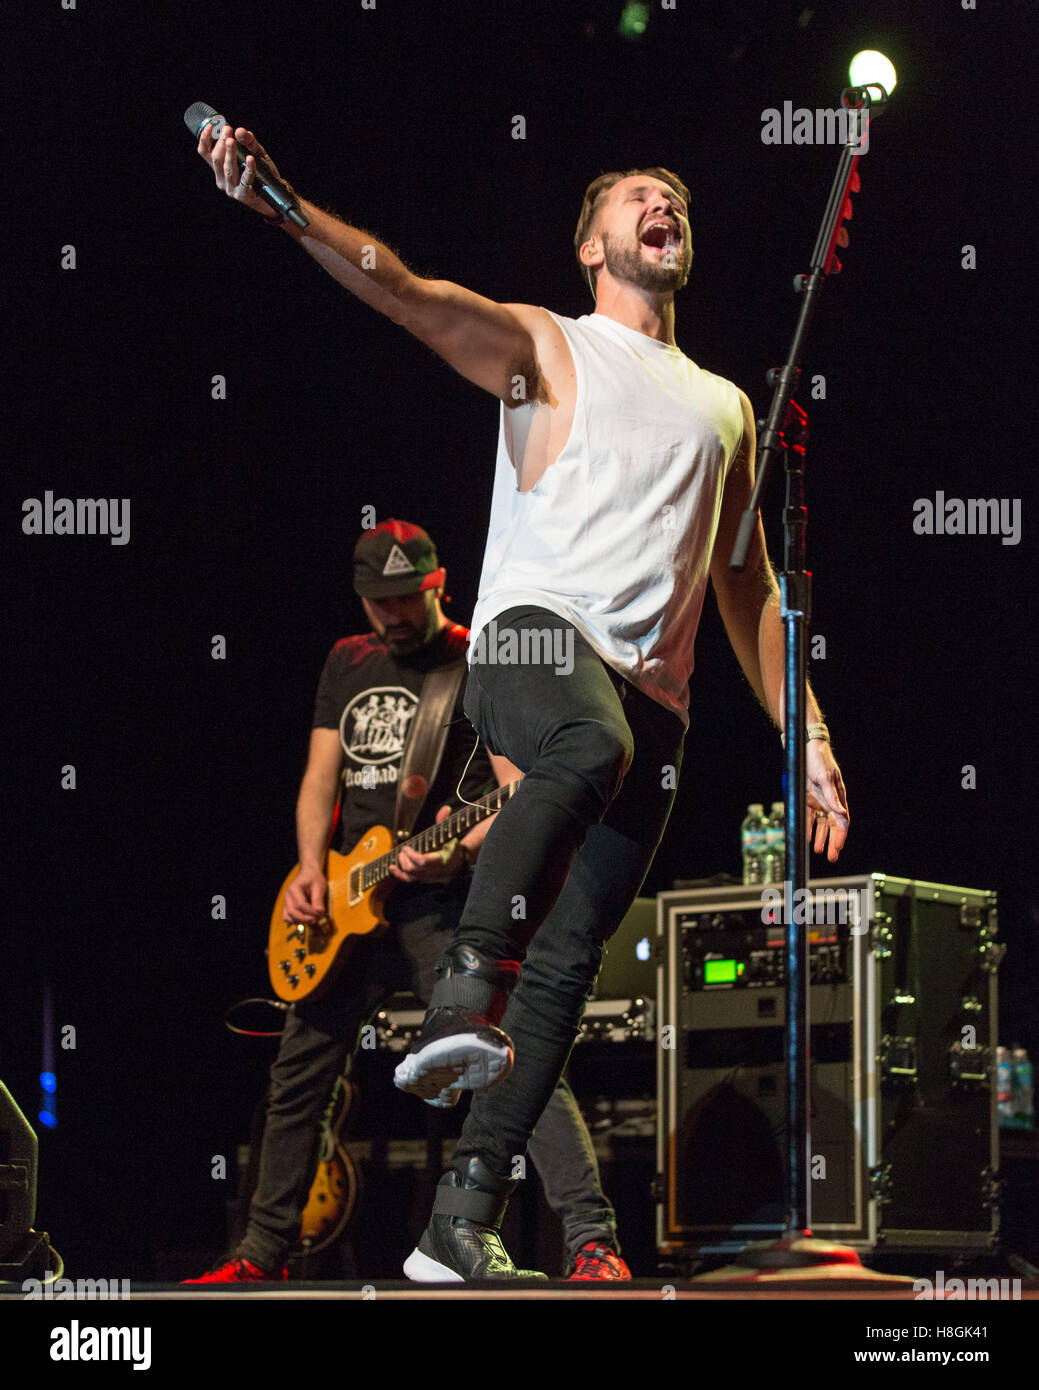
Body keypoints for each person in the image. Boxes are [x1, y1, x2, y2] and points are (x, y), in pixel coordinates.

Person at [196, 128, 852, 1282]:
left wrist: (808, 734)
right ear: (593, 243)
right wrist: (282, 205)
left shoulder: (724, 407)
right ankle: (462, 980)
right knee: (578, 760)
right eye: (639, 197)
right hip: (534, 638)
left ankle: (459, 1219)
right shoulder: (546, 345)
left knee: (568, 968)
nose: (665, 205)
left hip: (656, 707)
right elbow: (401, 289)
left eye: (677, 198)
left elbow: (743, 588)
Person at [185, 520, 630, 1283]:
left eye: (403, 598)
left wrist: (458, 848)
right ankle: (262, 1253)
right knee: (297, 1081)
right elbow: (320, 775)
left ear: (437, 584)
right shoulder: (346, 661)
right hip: (341, 906)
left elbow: (522, 788)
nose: (390, 615)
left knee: (509, 1055)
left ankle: (591, 1239)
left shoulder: (476, 658)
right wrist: (307, 869)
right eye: (375, 601)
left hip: (437, 903)